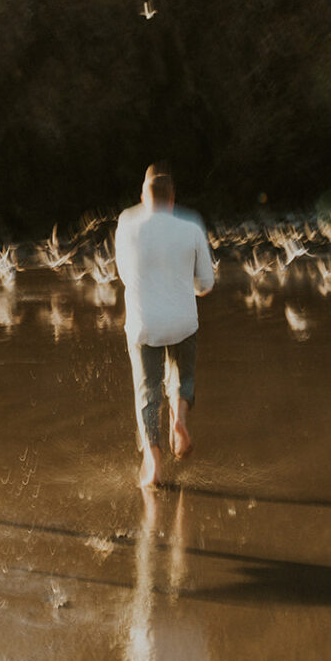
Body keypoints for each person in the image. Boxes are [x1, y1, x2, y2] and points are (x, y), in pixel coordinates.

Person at [114, 165, 214, 488]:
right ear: (172, 198)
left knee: (147, 391)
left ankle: (154, 464)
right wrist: (187, 285)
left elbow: (124, 276)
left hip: (144, 324)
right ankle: (180, 420)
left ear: (144, 196)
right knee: (182, 377)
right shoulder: (191, 225)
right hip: (183, 320)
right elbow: (207, 283)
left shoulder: (127, 225)